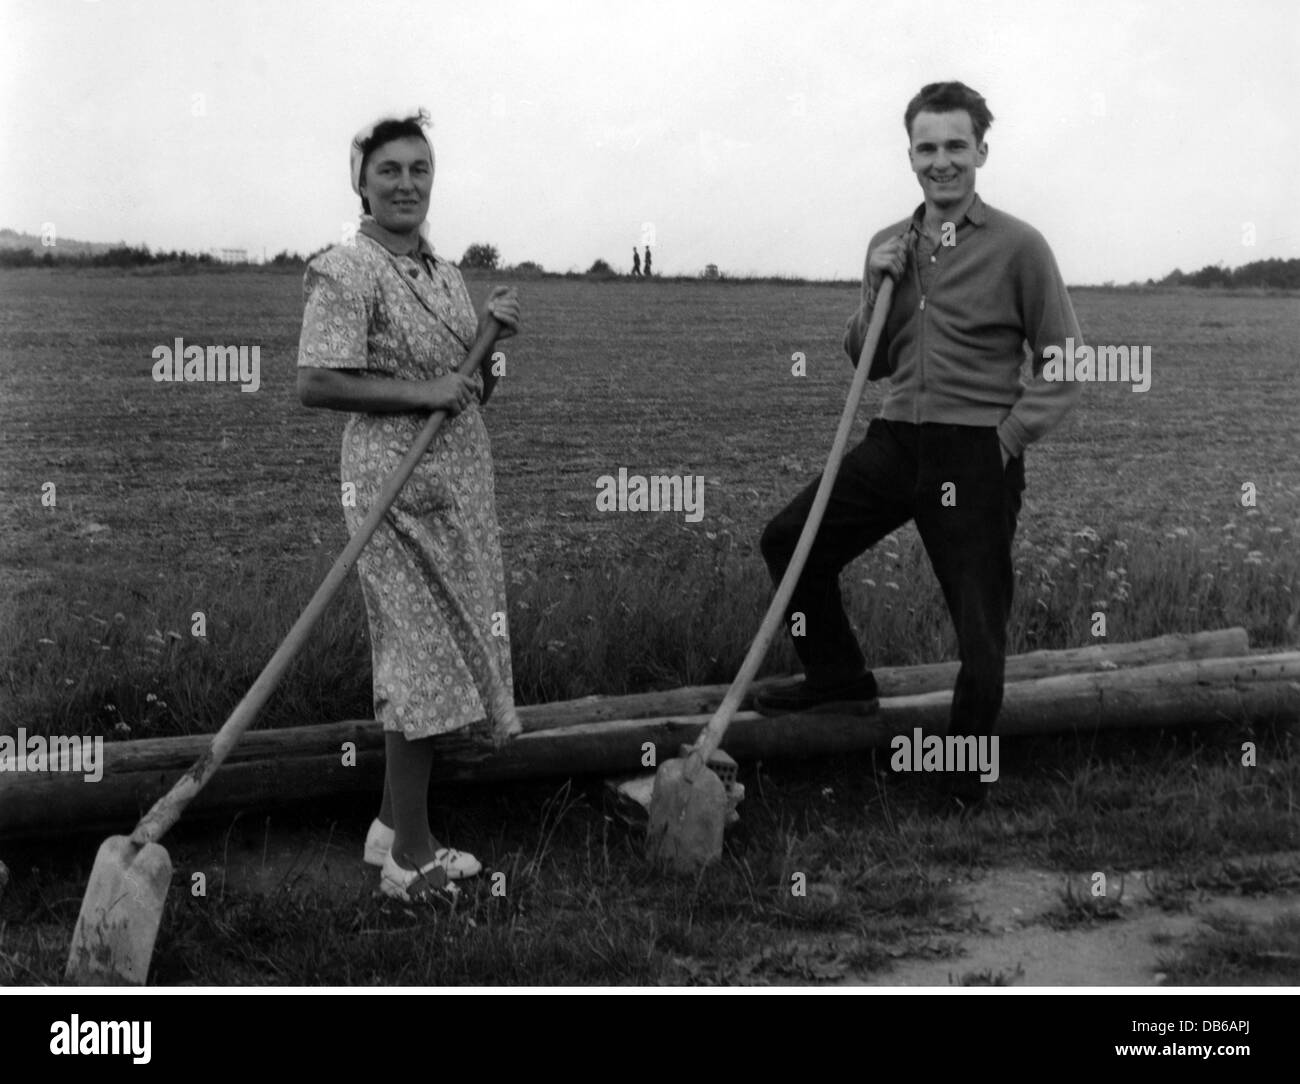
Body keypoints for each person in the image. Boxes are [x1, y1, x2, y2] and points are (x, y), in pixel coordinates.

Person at [756, 82, 1083, 805]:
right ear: (910, 155)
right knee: (788, 541)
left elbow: (1066, 360)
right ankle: (840, 682)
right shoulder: (887, 244)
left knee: (978, 619)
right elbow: (866, 360)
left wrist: (1007, 440)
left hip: (976, 450)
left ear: (982, 152)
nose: (942, 162)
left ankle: (964, 779)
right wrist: (873, 289)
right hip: (896, 440)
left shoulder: (1021, 247)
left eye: (956, 146)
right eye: (927, 147)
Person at [297, 110, 522, 900]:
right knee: (416, 658)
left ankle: (390, 830)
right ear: (360, 181)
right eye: (388, 169)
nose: (405, 184)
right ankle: (411, 863)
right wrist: (424, 391)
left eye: (418, 170)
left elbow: (468, 392)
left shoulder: (443, 270)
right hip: (388, 488)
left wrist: (487, 354)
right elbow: (316, 381)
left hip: (455, 484)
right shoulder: (347, 269)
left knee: (437, 656)